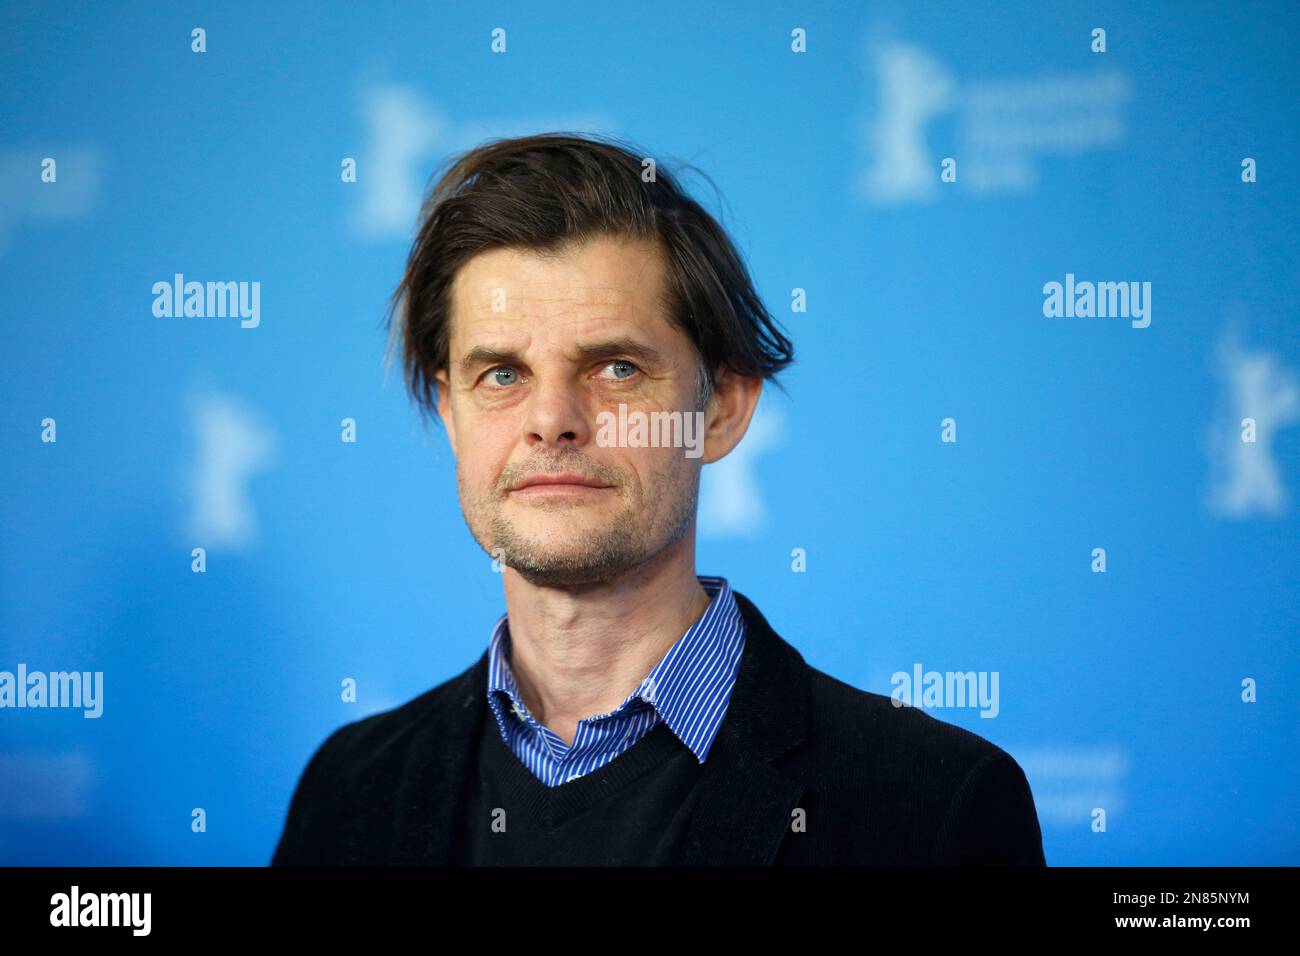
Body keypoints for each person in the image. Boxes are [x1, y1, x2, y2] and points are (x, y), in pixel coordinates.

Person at [271, 132, 1046, 866]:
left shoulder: (928, 807)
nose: (550, 422)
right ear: (450, 411)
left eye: (615, 368)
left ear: (722, 408)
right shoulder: (349, 793)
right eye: (501, 374)